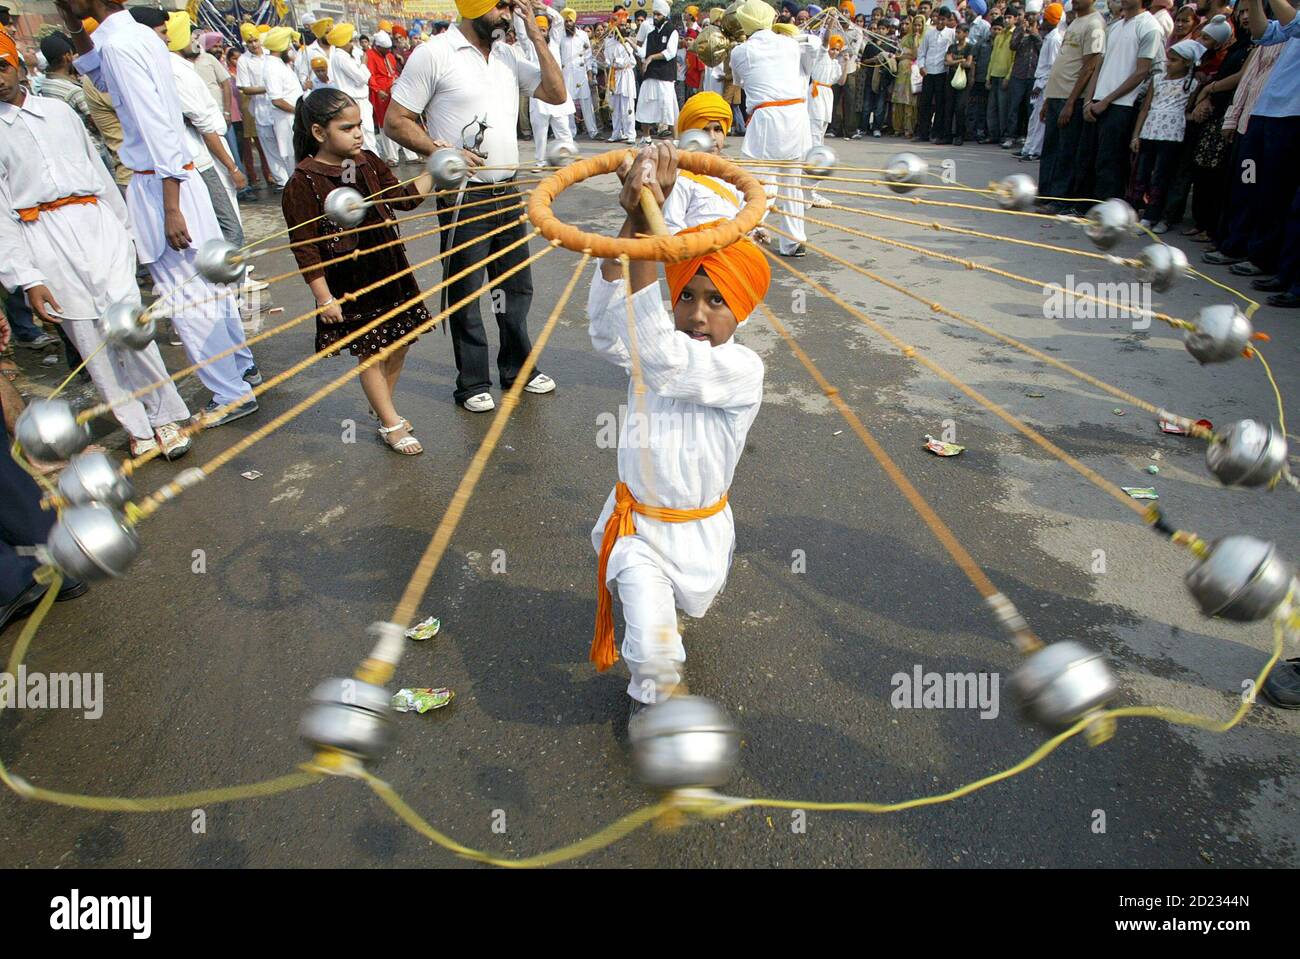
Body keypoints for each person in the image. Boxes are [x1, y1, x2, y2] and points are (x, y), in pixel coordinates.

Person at [587, 143, 768, 717]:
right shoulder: (653, 343)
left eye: (718, 301)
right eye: (685, 294)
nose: (696, 313)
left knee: (677, 612)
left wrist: (647, 226)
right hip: (637, 528)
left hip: (701, 531)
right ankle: (660, 707)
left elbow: (663, 360)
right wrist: (633, 218)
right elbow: (606, 330)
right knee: (655, 652)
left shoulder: (742, 371)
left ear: (742, 311)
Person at [62, 0, 259, 428]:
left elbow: (157, 127)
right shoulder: (129, 37)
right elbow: (96, 73)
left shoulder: (121, 44)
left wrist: (171, 207)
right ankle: (239, 370)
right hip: (172, 177)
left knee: (186, 295)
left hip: (163, 181)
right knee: (208, 282)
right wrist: (75, 24)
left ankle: (230, 393)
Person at [0, 29, 193, 460]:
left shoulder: (59, 111)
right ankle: (136, 425)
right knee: (89, 339)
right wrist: (28, 278)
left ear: (17, 65)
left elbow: (99, 171)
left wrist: (126, 232)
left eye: (3, 66)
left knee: (129, 326)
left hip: (97, 223)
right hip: (43, 237)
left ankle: (165, 416)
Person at [383, 0, 566, 413]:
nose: (507, 13)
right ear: (474, 8)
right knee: (466, 288)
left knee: (515, 285)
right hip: (465, 193)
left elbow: (556, 93)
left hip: (508, 190)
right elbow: (396, 120)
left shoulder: (507, 55)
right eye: (500, 6)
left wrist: (536, 35)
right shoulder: (435, 53)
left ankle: (518, 369)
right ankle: (472, 382)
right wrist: (437, 149)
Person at [282, 89, 433, 455]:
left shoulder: (366, 161)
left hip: (390, 266)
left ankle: (384, 405)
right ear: (319, 133)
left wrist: (438, 169)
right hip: (351, 282)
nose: (358, 134)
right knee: (373, 351)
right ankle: (391, 423)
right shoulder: (304, 182)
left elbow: (404, 197)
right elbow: (305, 247)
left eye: (360, 126)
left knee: (399, 342)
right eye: (347, 127)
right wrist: (323, 297)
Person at [729, 0, 820, 257]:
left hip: (766, 118)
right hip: (796, 117)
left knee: (756, 182)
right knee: (791, 181)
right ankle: (794, 241)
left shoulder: (740, 51)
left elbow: (739, 81)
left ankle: (742, 233)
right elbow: (807, 64)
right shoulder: (792, 42)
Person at [161, 12, 246, 248]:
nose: (197, 41)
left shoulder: (186, 67)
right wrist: (232, 166)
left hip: (212, 142)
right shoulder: (176, 72)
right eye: (191, 36)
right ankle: (233, 271)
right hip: (207, 149)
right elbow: (202, 124)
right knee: (228, 219)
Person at [1075, 0, 1163, 202]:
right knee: (1087, 157)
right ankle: (1083, 205)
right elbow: (1099, 66)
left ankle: (1107, 210)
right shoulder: (1115, 26)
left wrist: (1106, 101)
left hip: (1121, 105)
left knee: (1110, 162)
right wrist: (1089, 99)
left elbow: (1141, 72)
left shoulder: (1149, 27)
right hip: (1096, 101)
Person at [1038, 0, 1104, 209]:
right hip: (1056, 95)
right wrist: (1048, 99)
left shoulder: (1095, 24)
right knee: (1050, 147)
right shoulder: (1074, 22)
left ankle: (1061, 199)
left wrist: (1071, 102)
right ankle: (1046, 192)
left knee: (1066, 151)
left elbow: (1089, 67)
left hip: (1071, 98)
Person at [1127, 38, 1199, 230]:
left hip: (1172, 135)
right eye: (1168, 59)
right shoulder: (1157, 80)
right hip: (1150, 131)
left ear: (1187, 63)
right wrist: (1136, 135)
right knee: (1141, 174)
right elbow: (1145, 108)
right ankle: (1134, 212)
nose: (1169, 64)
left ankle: (1153, 215)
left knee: (1161, 177)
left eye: (1174, 60)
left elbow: (1188, 108)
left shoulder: (1191, 84)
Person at [662, 91, 742, 232]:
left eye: (718, 130)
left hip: (737, 246)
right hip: (698, 250)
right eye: (705, 130)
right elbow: (671, 226)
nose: (712, 137)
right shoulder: (680, 178)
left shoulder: (735, 171)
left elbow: (743, 213)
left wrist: (753, 231)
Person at [235, 22, 289, 190]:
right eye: (249, 42)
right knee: (271, 149)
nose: (253, 44)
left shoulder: (270, 55)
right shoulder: (243, 61)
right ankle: (283, 182)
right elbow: (244, 87)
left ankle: (294, 177)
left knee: (286, 146)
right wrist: (268, 89)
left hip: (280, 109)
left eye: (255, 41)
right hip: (262, 111)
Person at [1019, 2, 1064, 160]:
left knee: (1040, 120)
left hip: (1045, 85)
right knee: (1033, 118)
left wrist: (1041, 86)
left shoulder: (1055, 39)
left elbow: (1053, 67)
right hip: (1039, 82)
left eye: (1045, 19)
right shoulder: (1048, 37)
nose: (1042, 22)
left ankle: (1035, 151)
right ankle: (1028, 148)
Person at [326, 22, 375, 154]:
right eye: (350, 41)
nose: (352, 45)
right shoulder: (341, 57)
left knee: (367, 137)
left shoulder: (345, 56)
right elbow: (361, 78)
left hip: (359, 100)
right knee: (366, 138)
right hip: (355, 101)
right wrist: (364, 63)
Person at [636, 0, 680, 136]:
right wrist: (629, 43)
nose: (655, 17)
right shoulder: (651, 33)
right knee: (644, 106)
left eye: (658, 15)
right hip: (650, 75)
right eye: (654, 14)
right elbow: (643, 53)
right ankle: (646, 138)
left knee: (669, 109)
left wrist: (651, 58)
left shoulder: (672, 31)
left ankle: (676, 139)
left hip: (665, 77)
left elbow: (670, 52)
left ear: (665, 16)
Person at [915, 4, 954, 140]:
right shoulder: (929, 33)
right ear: (935, 18)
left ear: (948, 20)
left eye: (944, 19)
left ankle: (937, 133)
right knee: (925, 104)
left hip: (942, 73)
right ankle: (922, 133)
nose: (941, 22)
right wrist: (921, 67)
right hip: (928, 72)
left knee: (940, 104)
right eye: (939, 18)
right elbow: (921, 53)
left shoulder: (952, 33)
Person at [560, 7, 600, 139]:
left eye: (570, 21)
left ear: (574, 21)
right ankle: (571, 133)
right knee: (568, 104)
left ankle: (593, 132)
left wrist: (589, 77)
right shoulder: (561, 37)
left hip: (581, 74)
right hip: (566, 75)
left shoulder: (583, 35)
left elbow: (588, 57)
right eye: (566, 21)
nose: (568, 24)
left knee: (586, 103)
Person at [366, 30, 401, 164]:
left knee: (398, 119)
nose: (388, 51)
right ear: (378, 47)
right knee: (384, 123)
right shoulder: (369, 55)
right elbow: (370, 76)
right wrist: (377, 90)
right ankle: (392, 157)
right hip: (381, 94)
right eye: (385, 49)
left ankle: (407, 154)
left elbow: (393, 72)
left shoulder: (390, 56)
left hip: (393, 90)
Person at [605, 9, 638, 142]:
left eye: (624, 25)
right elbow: (607, 60)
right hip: (614, 76)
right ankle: (616, 133)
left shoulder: (628, 42)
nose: (623, 28)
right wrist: (612, 63)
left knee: (627, 107)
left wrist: (618, 62)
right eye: (620, 26)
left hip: (626, 76)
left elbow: (632, 62)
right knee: (614, 108)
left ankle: (630, 134)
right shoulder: (609, 42)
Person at [893, 15, 923, 137]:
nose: (916, 27)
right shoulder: (905, 39)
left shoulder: (924, 39)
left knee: (910, 103)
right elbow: (897, 55)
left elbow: (916, 56)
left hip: (913, 75)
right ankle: (897, 128)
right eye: (914, 25)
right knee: (899, 101)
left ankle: (909, 129)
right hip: (901, 74)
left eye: (919, 25)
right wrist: (907, 56)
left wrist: (916, 40)